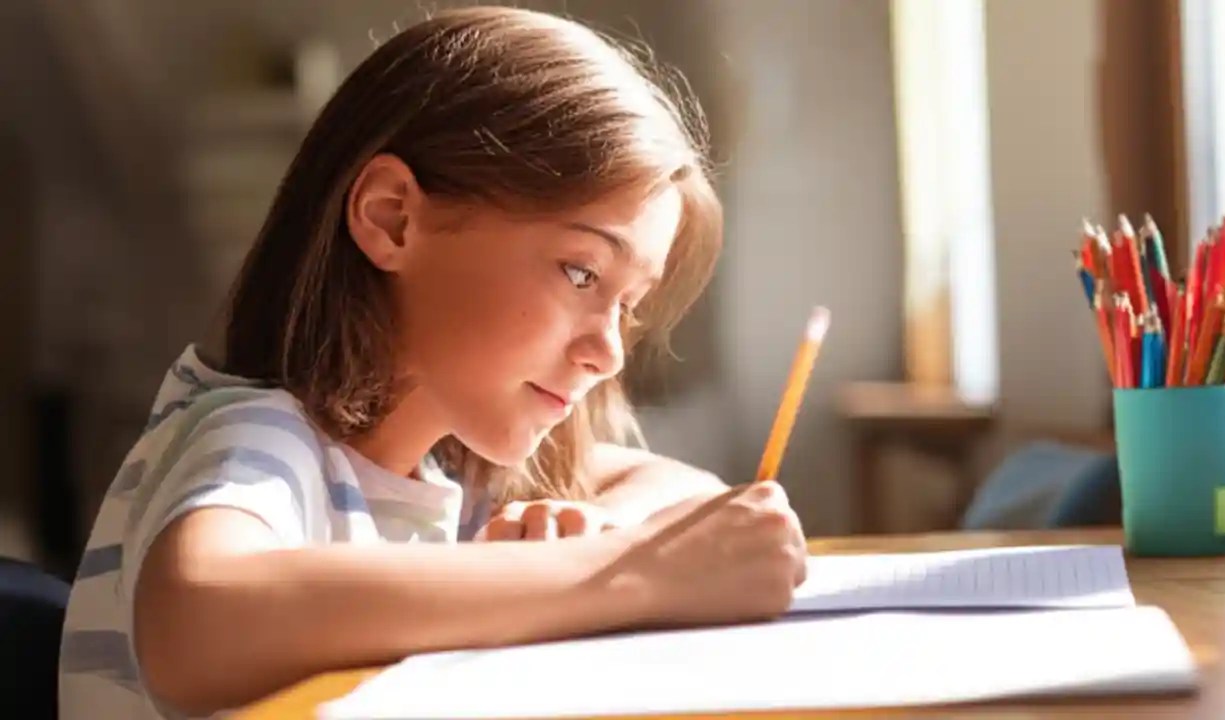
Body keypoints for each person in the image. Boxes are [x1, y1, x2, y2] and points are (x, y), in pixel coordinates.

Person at [58, 7, 807, 719]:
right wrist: (635, 573)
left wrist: (601, 529)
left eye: (629, 303)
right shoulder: (258, 438)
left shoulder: (447, 487)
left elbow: (681, 491)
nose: (609, 351)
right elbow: (200, 618)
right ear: (393, 218)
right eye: (581, 273)